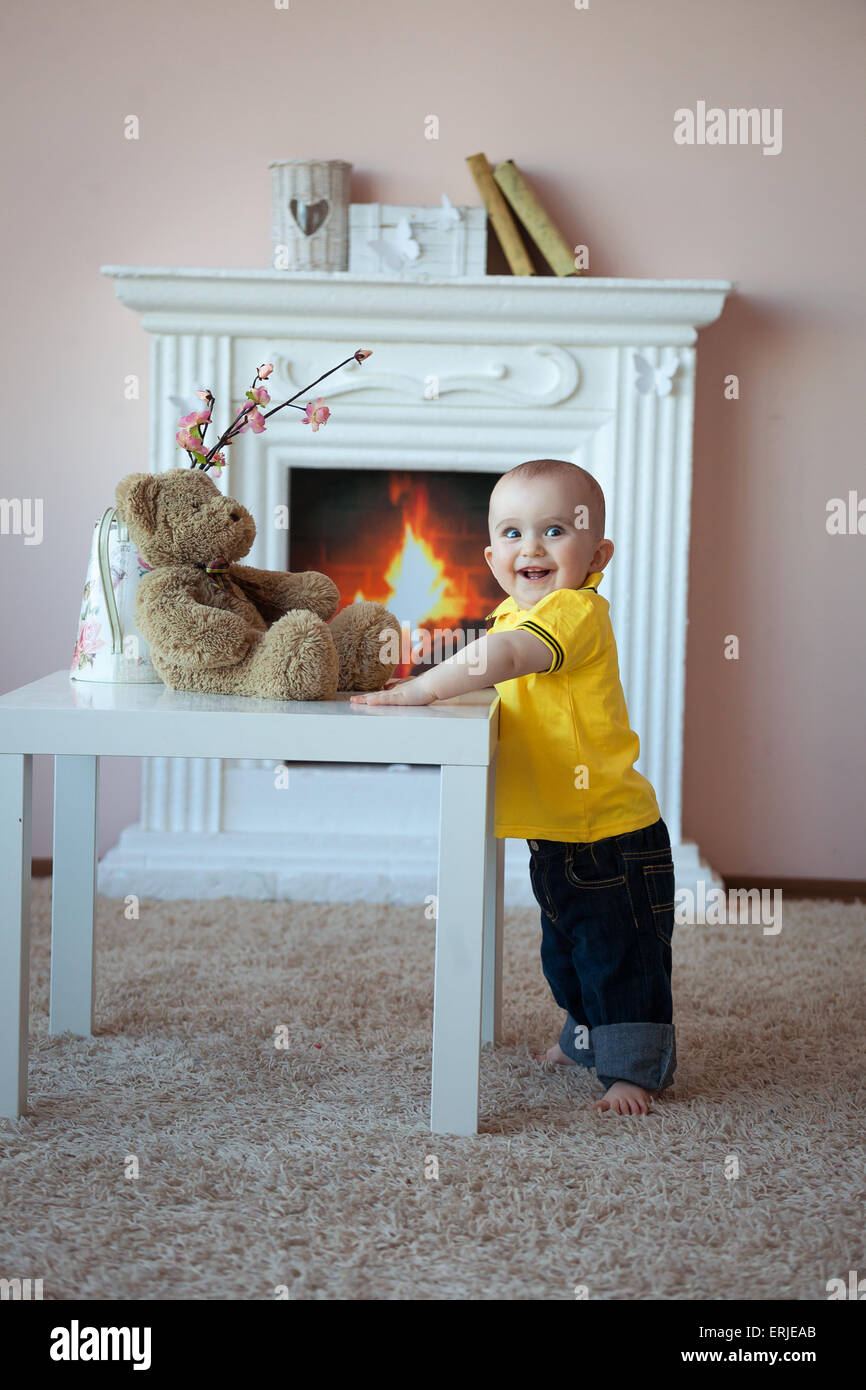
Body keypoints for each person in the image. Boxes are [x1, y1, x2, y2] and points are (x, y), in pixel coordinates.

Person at [350, 458, 676, 1116]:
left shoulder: (573, 612)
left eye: (555, 530)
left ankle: (633, 1070)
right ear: (491, 554)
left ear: (597, 552)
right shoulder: (508, 614)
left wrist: (420, 687)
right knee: (566, 951)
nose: (531, 547)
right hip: (555, 834)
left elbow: (501, 661)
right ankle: (584, 1038)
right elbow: (497, 658)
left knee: (620, 955)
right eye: (513, 532)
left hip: (610, 834)